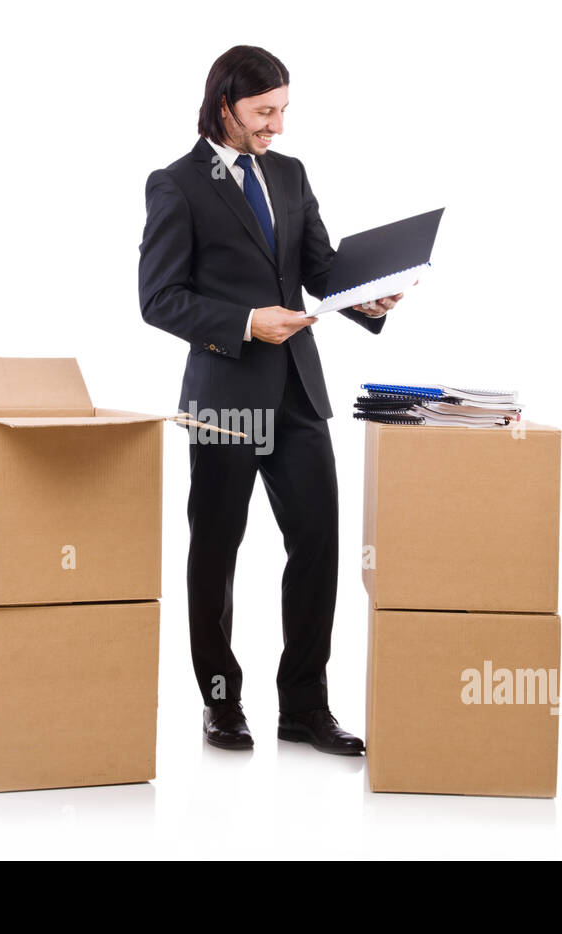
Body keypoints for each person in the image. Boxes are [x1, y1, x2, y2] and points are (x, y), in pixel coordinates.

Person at [137, 45, 405, 755]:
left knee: (317, 543)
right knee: (218, 550)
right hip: (225, 396)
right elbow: (159, 299)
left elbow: (319, 269)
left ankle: (304, 706)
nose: (277, 126)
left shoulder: (289, 175)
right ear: (225, 104)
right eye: (264, 112)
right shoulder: (176, 185)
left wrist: (366, 297)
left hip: (296, 393)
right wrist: (246, 323)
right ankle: (221, 701)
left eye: (283, 110)